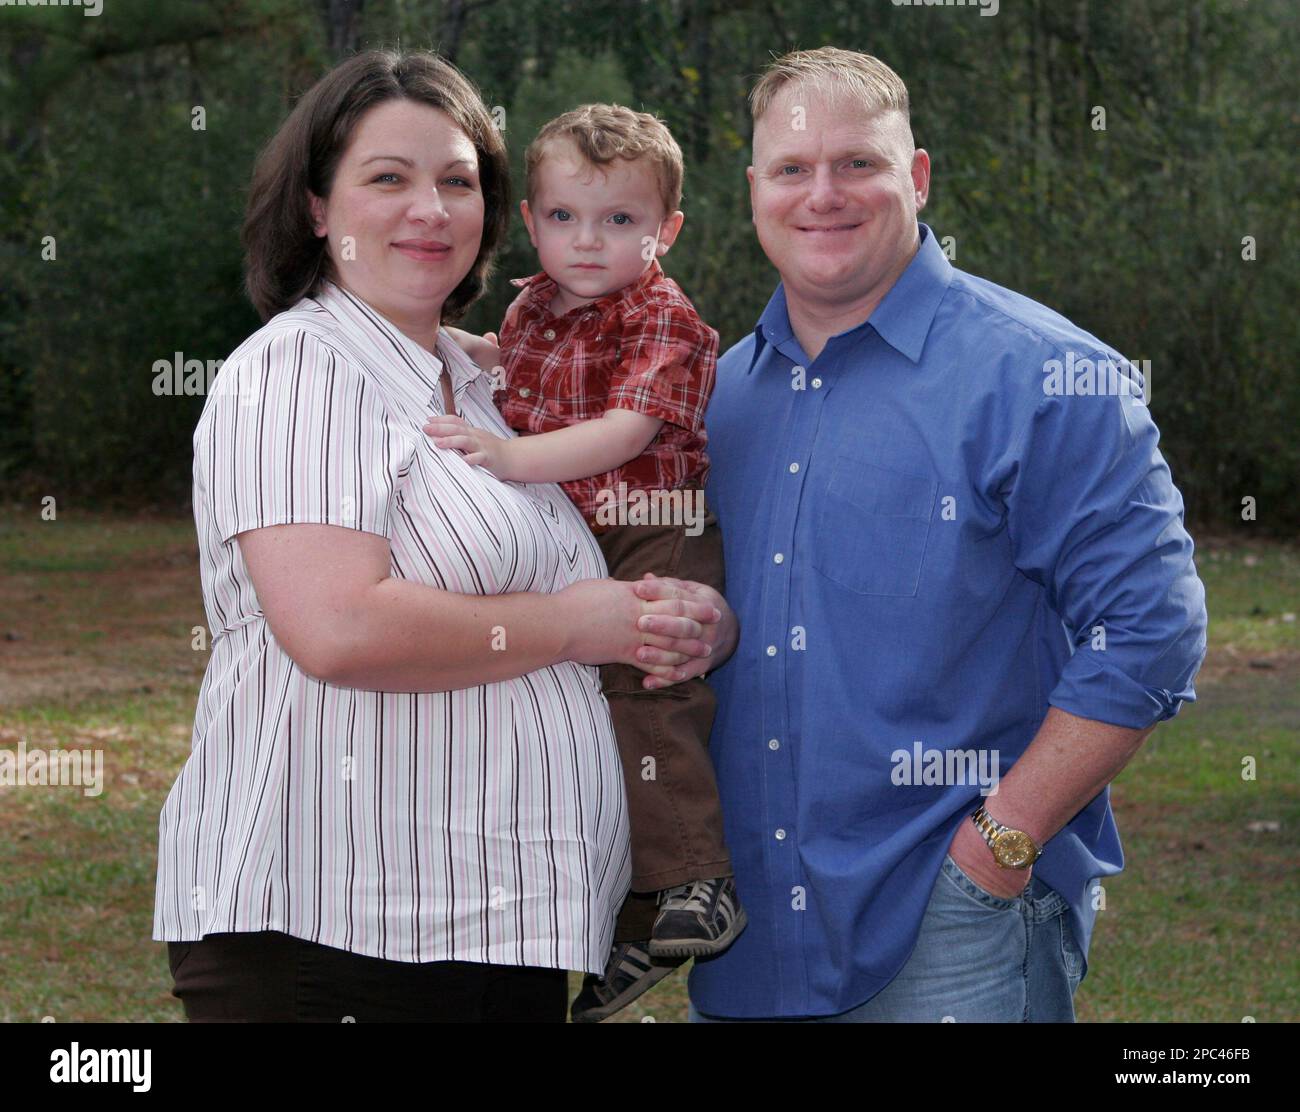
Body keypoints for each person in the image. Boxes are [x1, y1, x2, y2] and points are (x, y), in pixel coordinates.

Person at [151, 48, 735, 1024]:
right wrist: (572, 623)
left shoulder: (487, 394)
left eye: (457, 181)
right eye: (388, 178)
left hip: (487, 926)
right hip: (337, 927)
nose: (430, 208)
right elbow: (337, 627)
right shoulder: (303, 367)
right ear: (316, 208)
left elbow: (600, 563)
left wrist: (675, 621)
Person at [689, 47, 1208, 1022]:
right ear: (754, 189)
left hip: (950, 924)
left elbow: (1150, 629)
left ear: (916, 177)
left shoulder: (1044, 376)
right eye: (792, 169)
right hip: (747, 941)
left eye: (859, 163)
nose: (823, 195)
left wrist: (999, 845)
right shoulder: (714, 401)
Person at [427, 103, 745, 1023]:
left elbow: (628, 427)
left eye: (619, 221)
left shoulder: (661, 314)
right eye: (564, 217)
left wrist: (515, 458)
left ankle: (697, 883)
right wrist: (441, 345)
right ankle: (632, 918)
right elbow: (504, 363)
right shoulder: (531, 305)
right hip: (577, 537)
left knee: (653, 688)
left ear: (666, 231)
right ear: (529, 221)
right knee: (579, 713)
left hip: (652, 523)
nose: (589, 242)